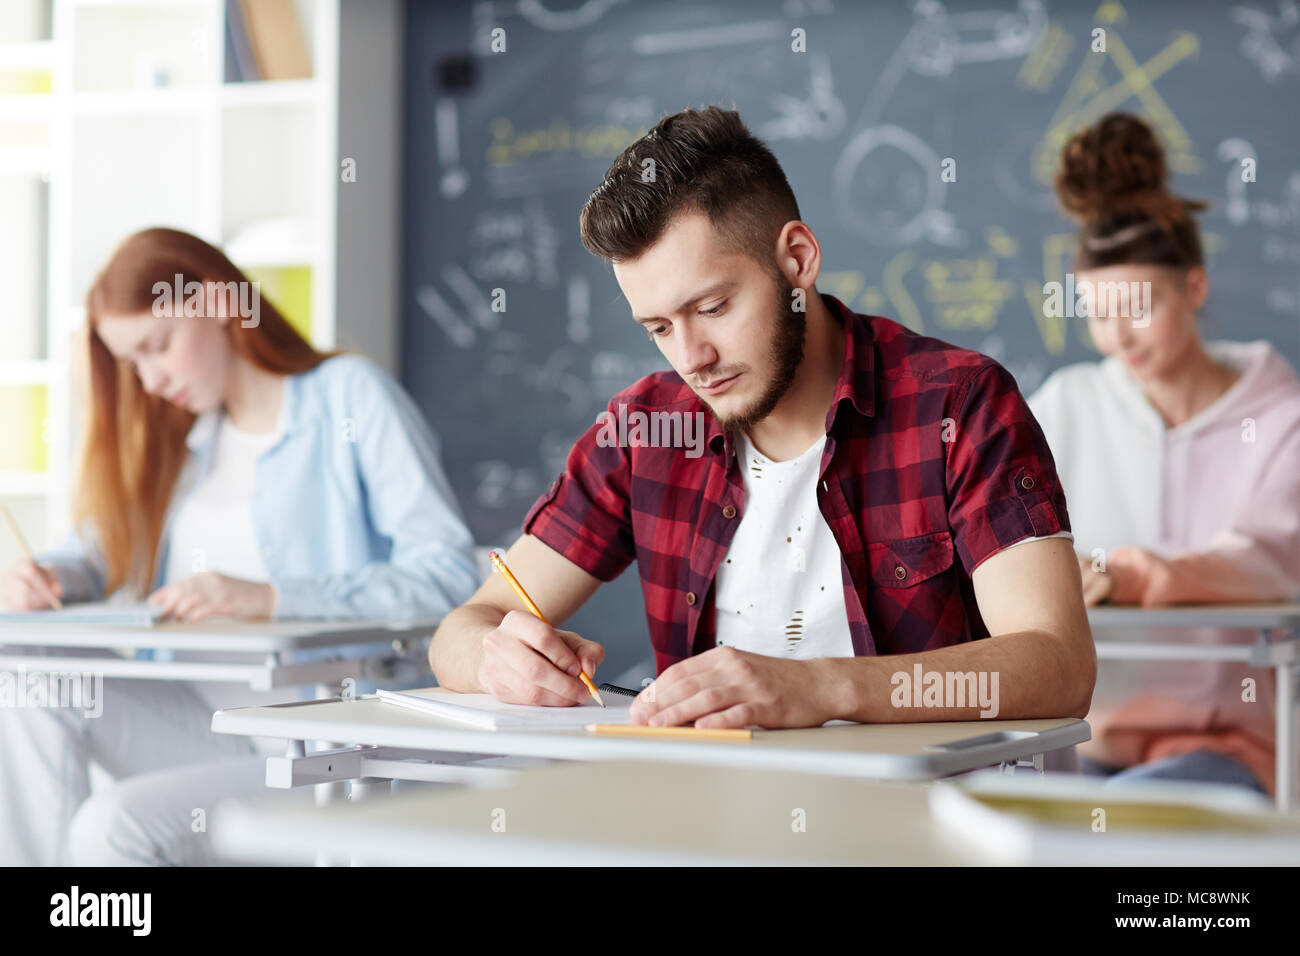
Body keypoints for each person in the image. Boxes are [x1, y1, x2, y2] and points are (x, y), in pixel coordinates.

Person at [429, 106, 1095, 730]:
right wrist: (496, 659)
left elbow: (1058, 665)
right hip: (706, 808)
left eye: (712, 308)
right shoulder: (645, 430)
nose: (692, 358)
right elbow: (463, 628)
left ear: (797, 259)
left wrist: (822, 687)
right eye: (659, 327)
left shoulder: (959, 403)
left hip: (918, 811)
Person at [0, 227, 479, 864]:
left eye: (157, 346)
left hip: (317, 750)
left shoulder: (349, 395)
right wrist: (50, 577)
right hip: (199, 731)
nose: (149, 379)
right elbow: (93, 553)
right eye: (133, 363)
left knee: (109, 826)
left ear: (221, 302)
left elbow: (446, 575)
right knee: (26, 663)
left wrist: (271, 598)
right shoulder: (180, 441)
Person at [1028, 113, 1300, 796]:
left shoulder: (1282, 417)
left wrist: (1131, 575)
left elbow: (1267, 557)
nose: (1119, 337)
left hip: (1227, 743)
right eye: (1099, 313)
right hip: (1080, 738)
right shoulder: (1066, 405)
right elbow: (997, 528)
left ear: (1195, 288)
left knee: (1125, 822)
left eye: (1139, 308)